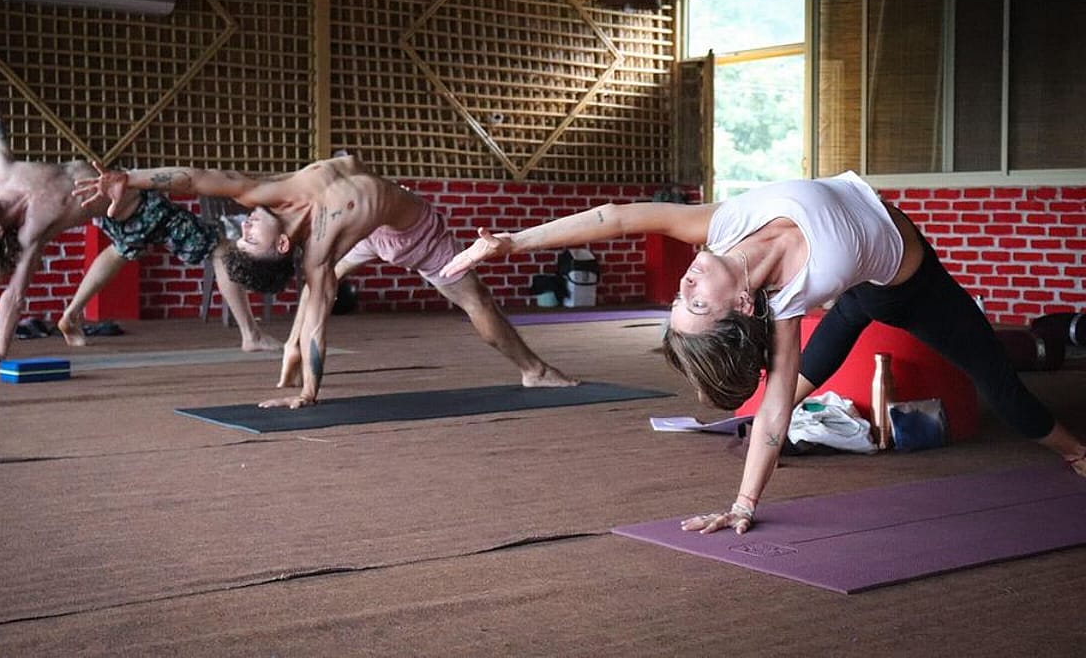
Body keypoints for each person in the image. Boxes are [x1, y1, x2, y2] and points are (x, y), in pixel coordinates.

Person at [439, 171, 1086, 534]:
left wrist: (512, 243)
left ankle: (1072, 446)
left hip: (881, 282)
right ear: (742, 308)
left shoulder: (718, 231)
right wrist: (745, 504)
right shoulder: (788, 300)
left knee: (967, 379)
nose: (684, 282)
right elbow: (777, 407)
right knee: (989, 385)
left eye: (678, 297)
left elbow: (614, 216)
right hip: (902, 291)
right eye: (693, 302)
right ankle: (1081, 454)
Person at [73, 154, 577, 408]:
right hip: (399, 234)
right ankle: (534, 368)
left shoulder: (268, 197)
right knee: (473, 299)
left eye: (244, 231)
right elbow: (317, 315)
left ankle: (288, 362)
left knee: (462, 295)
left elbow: (198, 178)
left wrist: (131, 178)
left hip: (383, 228)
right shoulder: (317, 244)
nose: (244, 226)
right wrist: (310, 393)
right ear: (283, 248)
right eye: (251, 238)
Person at [0, 14, 278, 365]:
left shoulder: (4, 171)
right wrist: (0, 350)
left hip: (110, 210)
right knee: (220, 248)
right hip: (139, 208)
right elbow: (14, 294)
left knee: (125, 247)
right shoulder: (31, 233)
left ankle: (72, 315)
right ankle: (251, 335)